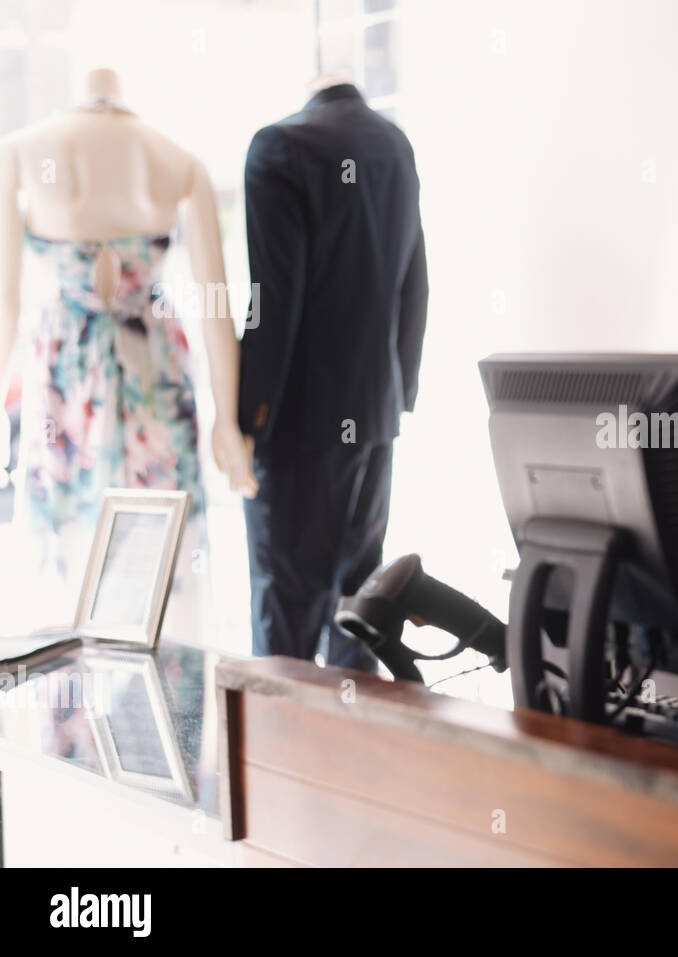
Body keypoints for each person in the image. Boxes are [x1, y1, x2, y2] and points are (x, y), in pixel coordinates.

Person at [0, 68, 255, 635]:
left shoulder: (18, 152)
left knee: (67, 571)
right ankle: (168, 713)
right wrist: (227, 423)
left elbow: (5, 308)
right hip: (157, 374)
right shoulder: (175, 160)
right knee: (162, 581)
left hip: (64, 385)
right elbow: (217, 306)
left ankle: (74, 716)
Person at [240, 78, 428, 672]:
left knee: (287, 615)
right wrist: (403, 393)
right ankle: (350, 757)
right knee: (362, 606)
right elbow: (415, 282)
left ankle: (276, 758)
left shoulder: (278, 149)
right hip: (375, 414)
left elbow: (273, 298)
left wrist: (249, 417)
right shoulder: (393, 145)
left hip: (299, 422)